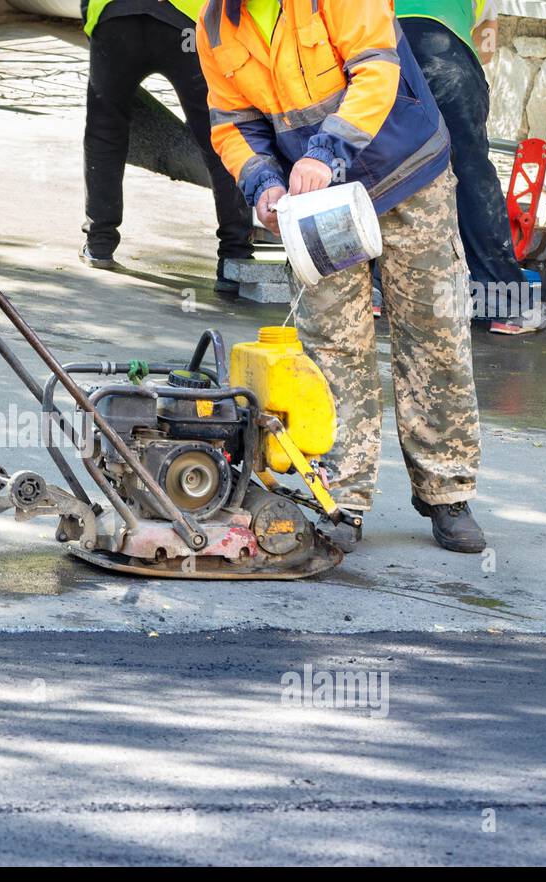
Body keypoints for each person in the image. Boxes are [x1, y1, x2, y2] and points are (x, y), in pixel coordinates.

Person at [196, 0, 486, 553]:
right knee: (333, 344)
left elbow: (376, 69)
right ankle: (343, 498)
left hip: (406, 174)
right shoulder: (213, 26)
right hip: (319, 204)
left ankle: (447, 491)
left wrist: (328, 150)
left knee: (434, 332)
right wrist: (263, 184)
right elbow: (233, 124)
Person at [81, 0, 255, 294]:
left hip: (115, 15)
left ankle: (99, 243)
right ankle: (234, 258)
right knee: (220, 136)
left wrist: (93, 19)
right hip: (186, 20)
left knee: (105, 131)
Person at [395, 1, 540, 333]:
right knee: (473, 177)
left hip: (385, 54)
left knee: (379, 167)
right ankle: (505, 305)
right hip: (448, 63)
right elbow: (486, 51)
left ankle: (373, 292)